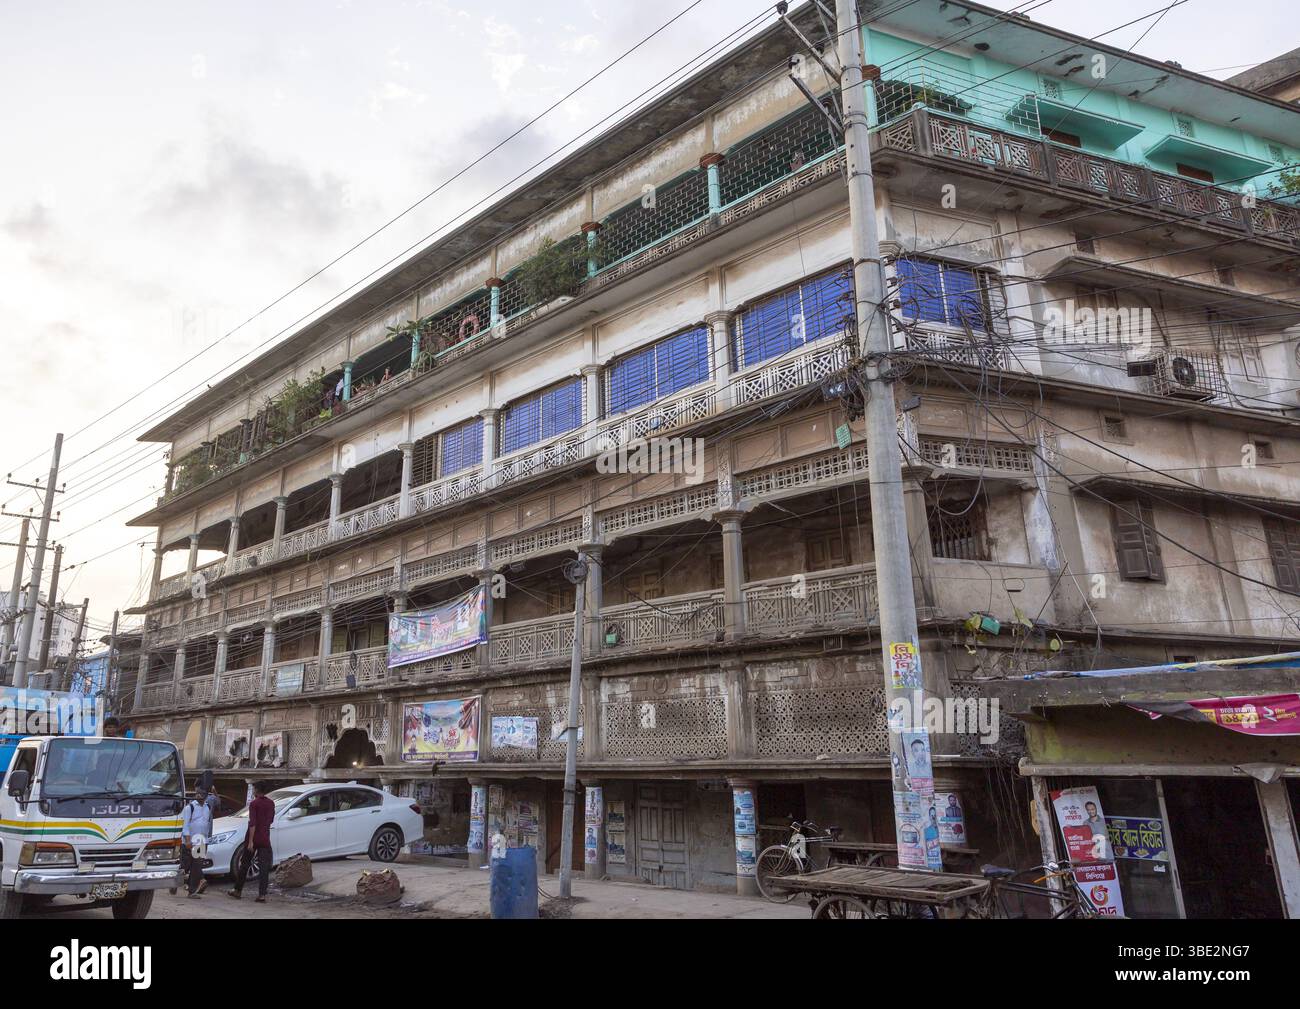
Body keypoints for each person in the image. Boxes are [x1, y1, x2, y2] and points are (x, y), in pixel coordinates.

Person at [229, 781, 274, 902]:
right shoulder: (271, 803)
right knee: (264, 867)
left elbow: (253, 823)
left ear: (258, 790)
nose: (253, 791)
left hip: (253, 837)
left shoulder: (254, 804)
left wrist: (250, 842)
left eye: (254, 789)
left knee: (245, 864)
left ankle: (237, 890)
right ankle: (262, 895)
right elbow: (270, 820)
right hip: (265, 836)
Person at [180, 785, 214, 898]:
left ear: (206, 796)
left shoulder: (208, 807)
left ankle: (192, 891)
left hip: (201, 842)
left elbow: (207, 825)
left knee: (197, 867)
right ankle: (175, 883)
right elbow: (185, 826)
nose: (199, 796)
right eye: (197, 794)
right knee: (184, 866)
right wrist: (188, 841)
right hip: (189, 842)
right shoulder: (189, 808)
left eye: (202, 794)